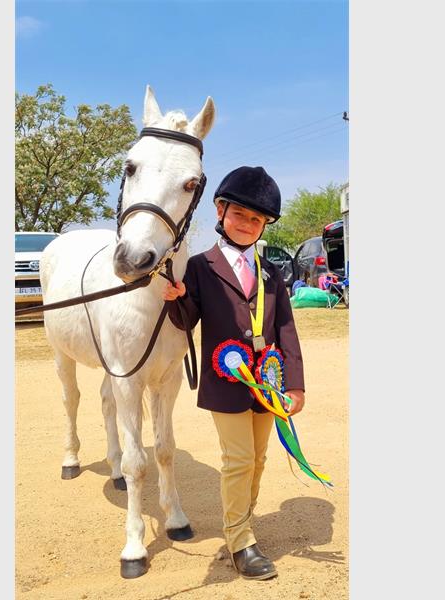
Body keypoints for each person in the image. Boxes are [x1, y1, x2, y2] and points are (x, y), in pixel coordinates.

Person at [164, 166, 306, 580]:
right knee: (239, 459)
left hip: (268, 380)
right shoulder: (199, 267)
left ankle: (244, 521)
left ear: (264, 226)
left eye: (257, 219)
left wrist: (295, 383)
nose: (247, 224)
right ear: (220, 211)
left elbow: (285, 328)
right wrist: (177, 298)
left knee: (259, 459)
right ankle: (240, 540)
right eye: (240, 214)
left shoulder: (271, 272)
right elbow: (185, 319)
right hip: (226, 382)